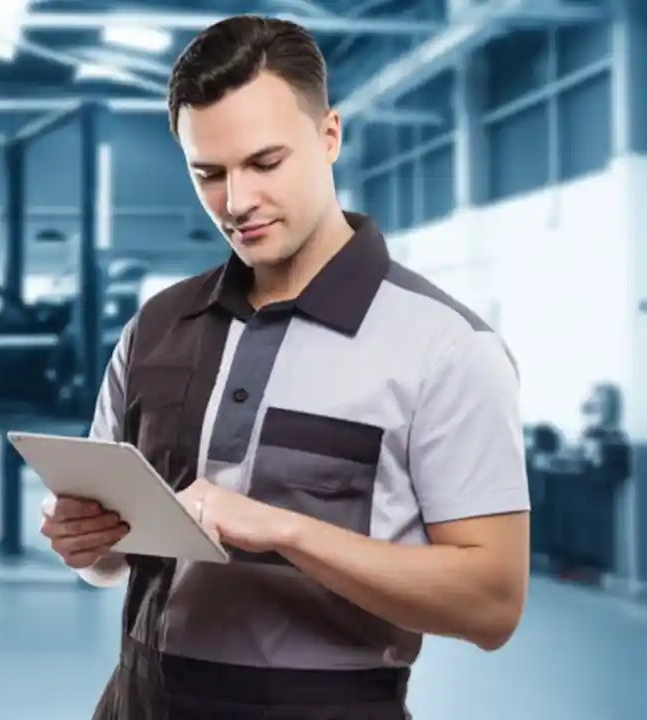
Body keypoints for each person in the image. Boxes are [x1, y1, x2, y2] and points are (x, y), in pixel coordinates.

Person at [39, 15, 531, 720]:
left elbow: (492, 603)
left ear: (329, 135)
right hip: (137, 700)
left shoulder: (447, 348)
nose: (236, 203)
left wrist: (284, 530)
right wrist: (85, 541)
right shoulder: (155, 329)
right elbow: (111, 562)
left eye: (265, 164)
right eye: (208, 174)